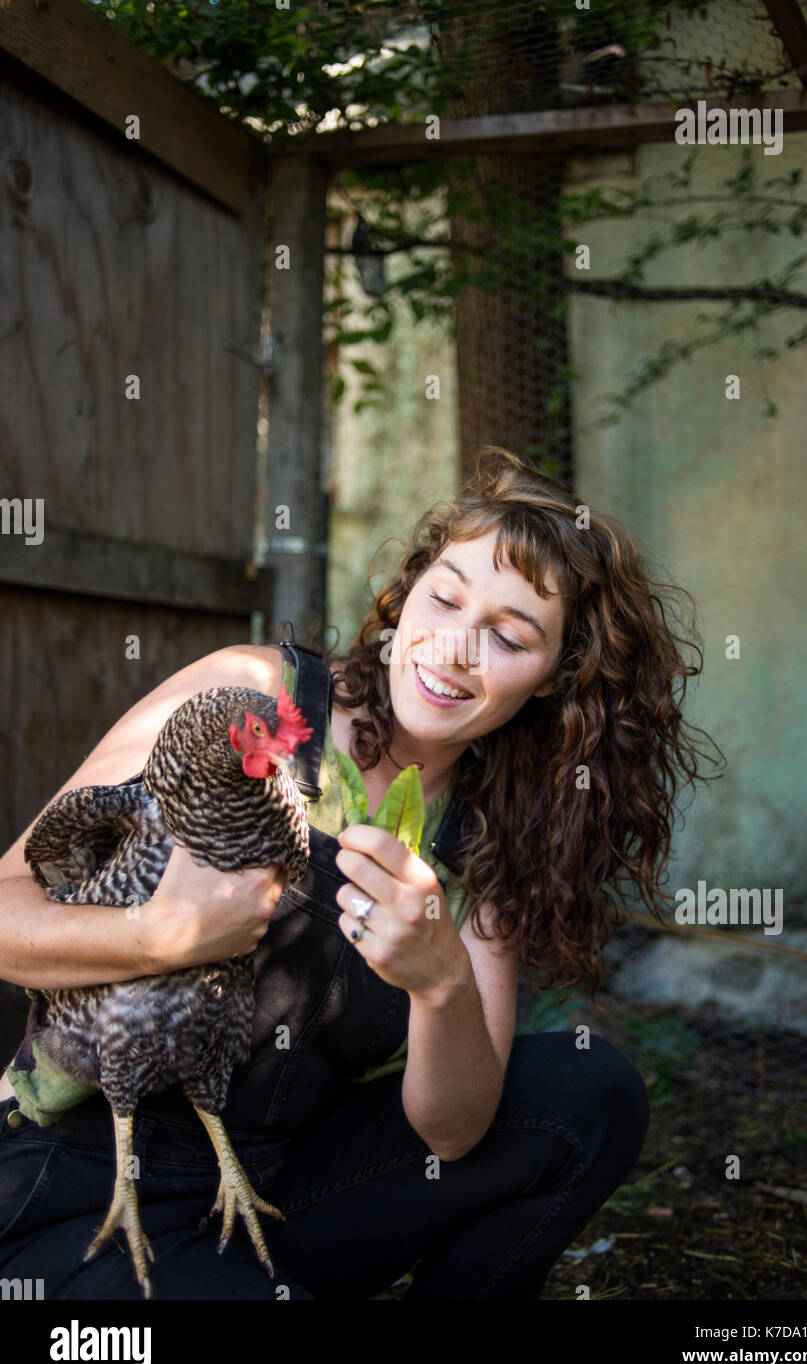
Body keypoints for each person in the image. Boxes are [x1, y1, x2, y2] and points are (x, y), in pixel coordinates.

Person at [0, 448, 721, 1300]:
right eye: (445, 597)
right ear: (407, 592)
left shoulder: (487, 833)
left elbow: (453, 1136)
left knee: (585, 1092)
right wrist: (156, 935)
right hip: (77, 1186)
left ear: (555, 678)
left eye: (507, 635)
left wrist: (442, 984)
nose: (453, 649)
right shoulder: (252, 697)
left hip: (275, 1196)